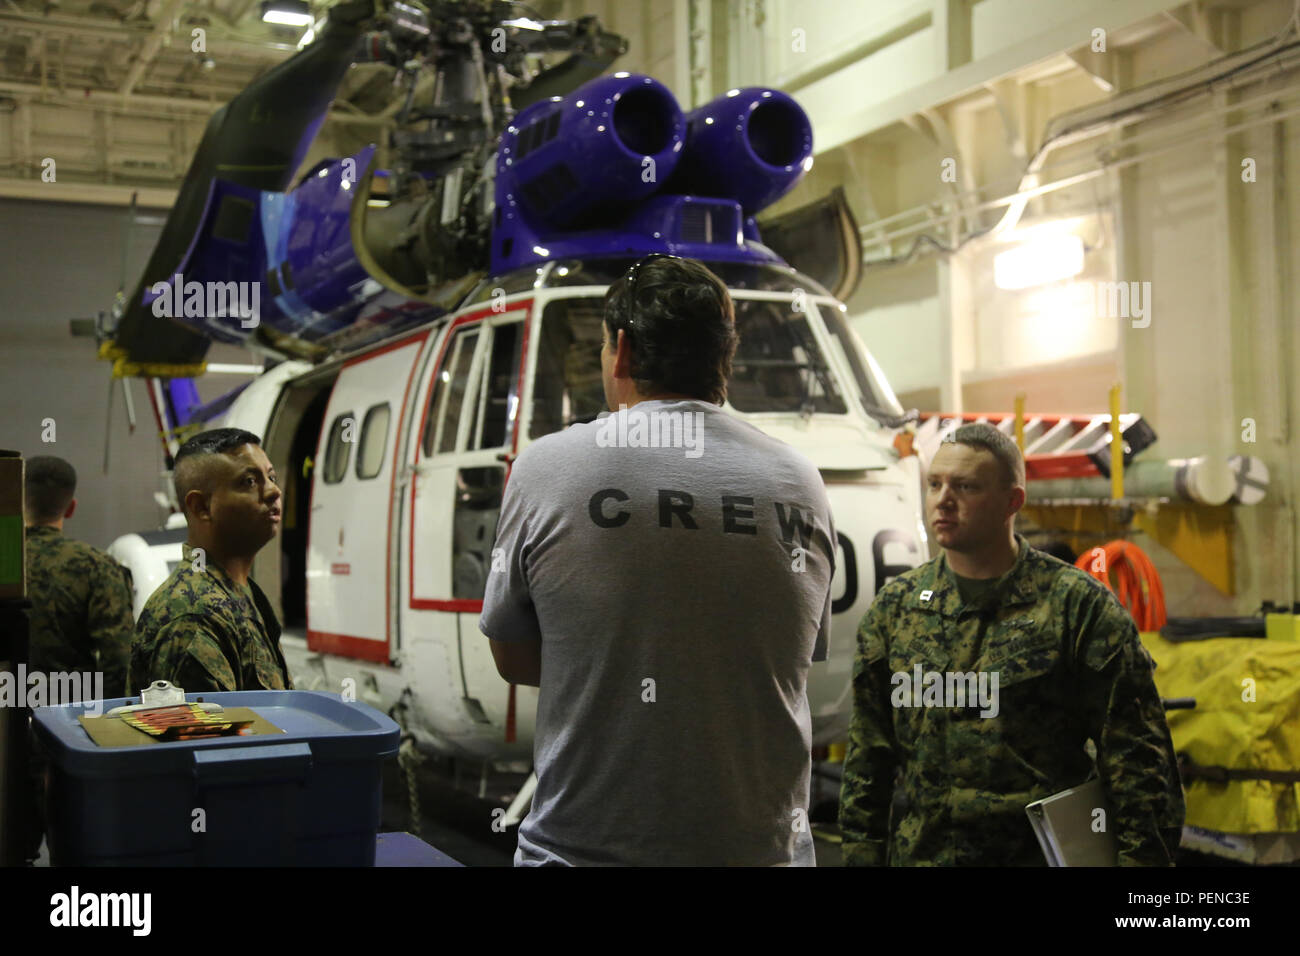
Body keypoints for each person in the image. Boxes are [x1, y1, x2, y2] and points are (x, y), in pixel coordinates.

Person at [480, 255, 836, 866]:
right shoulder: (801, 482)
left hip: (584, 851)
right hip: (760, 853)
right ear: (724, 358)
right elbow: (792, 657)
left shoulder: (546, 468)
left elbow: (514, 657)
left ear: (619, 352)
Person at [839, 423, 1184, 865]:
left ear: (1012, 501)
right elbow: (869, 759)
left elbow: (1139, 761)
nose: (943, 500)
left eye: (965, 486)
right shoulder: (895, 610)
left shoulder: (1076, 608)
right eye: (935, 484)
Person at [130, 428, 292, 694]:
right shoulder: (192, 617)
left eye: (271, 477)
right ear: (201, 507)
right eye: (250, 481)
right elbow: (204, 735)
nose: (274, 490)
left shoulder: (238, 593)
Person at [23, 455, 134, 698]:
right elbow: (118, 662)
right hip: (68, 718)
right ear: (71, 508)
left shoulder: (8, 561)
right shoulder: (97, 566)